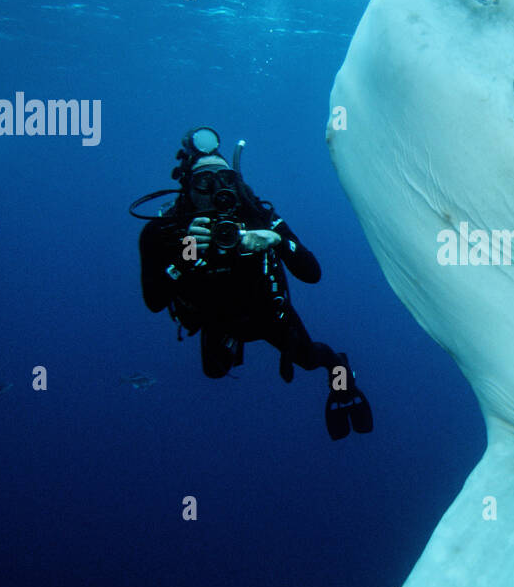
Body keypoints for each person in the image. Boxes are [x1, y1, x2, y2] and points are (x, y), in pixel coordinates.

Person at [132, 126, 372, 440]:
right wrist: (186, 255)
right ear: (186, 188)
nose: (216, 189)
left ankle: (341, 375)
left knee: (311, 358)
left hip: (269, 313)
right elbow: (154, 301)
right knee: (214, 372)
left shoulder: (259, 217)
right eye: (204, 181)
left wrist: (276, 240)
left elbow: (312, 272)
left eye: (226, 179)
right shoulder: (164, 232)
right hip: (215, 319)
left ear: (237, 183)